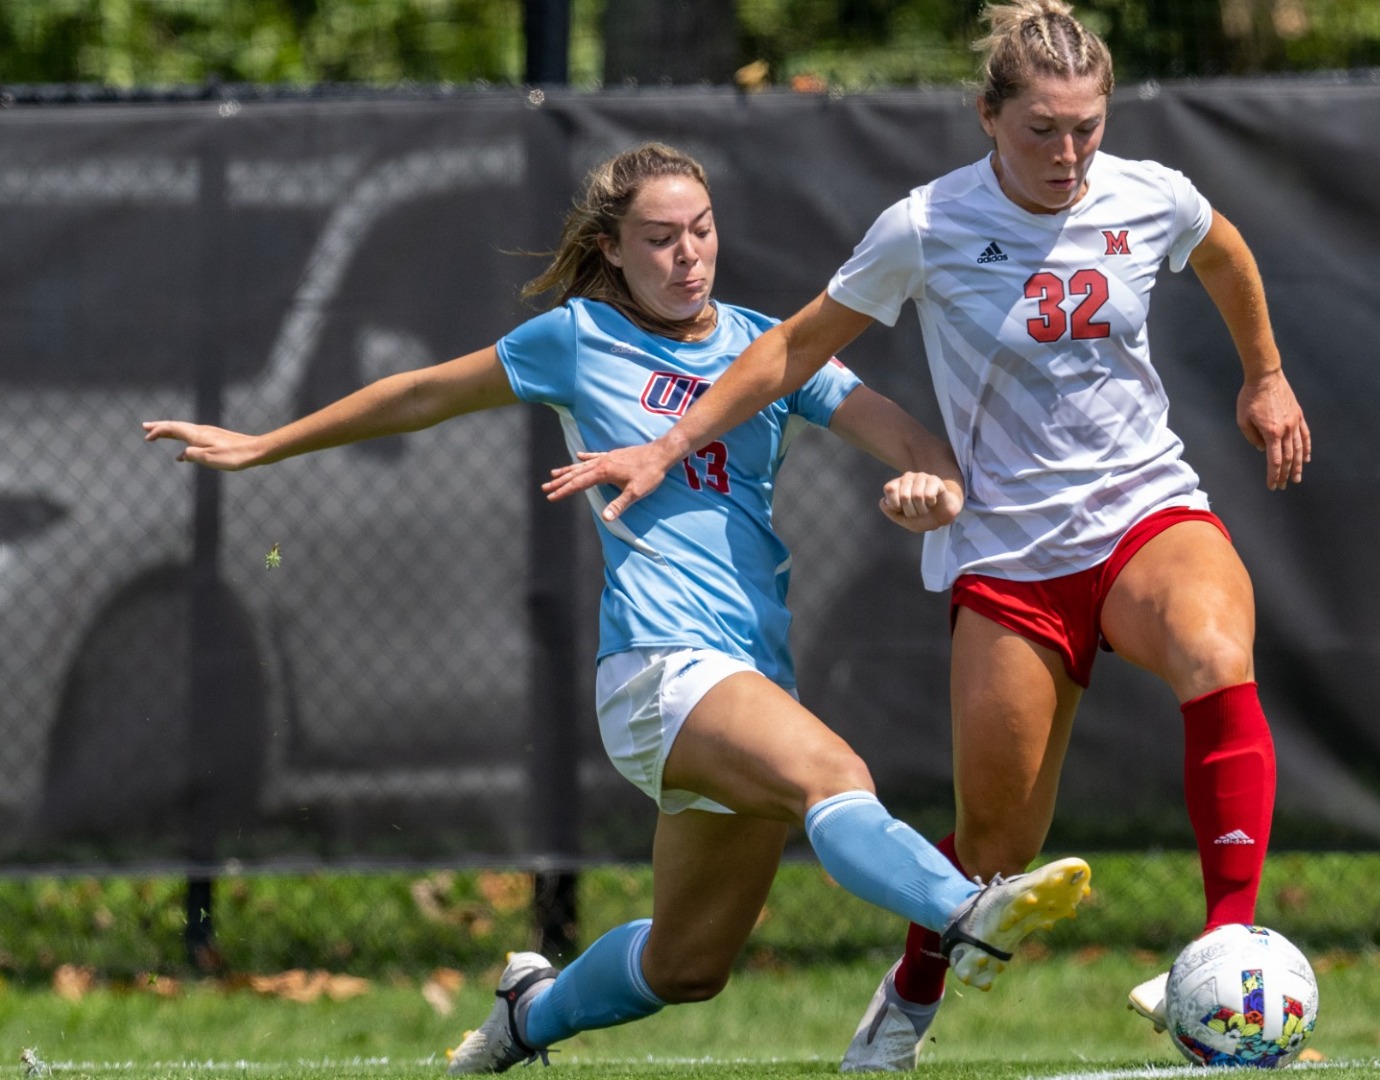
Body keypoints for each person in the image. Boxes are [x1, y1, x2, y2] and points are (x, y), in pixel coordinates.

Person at [142, 142, 1092, 1075]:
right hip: (656, 669)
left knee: (686, 967)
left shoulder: (769, 352)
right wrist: (264, 442)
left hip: (747, 677)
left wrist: (929, 492)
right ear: (613, 250)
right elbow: (422, 393)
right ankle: (964, 911)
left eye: (702, 232)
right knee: (832, 772)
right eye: (660, 239)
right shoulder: (578, 339)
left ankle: (527, 1012)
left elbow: (916, 449)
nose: (688, 256)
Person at [539, 3, 1311, 1069]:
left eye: (1087, 125)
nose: (1069, 151)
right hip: (1007, 560)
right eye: (1042, 128)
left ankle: (1229, 939)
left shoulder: (1149, 196)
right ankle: (906, 998)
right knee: (997, 849)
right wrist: (666, 448)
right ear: (988, 116)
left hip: (1144, 514)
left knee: (1217, 654)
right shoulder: (925, 224)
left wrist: (1264, 376)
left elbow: (1223, 253)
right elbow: (791, 351)